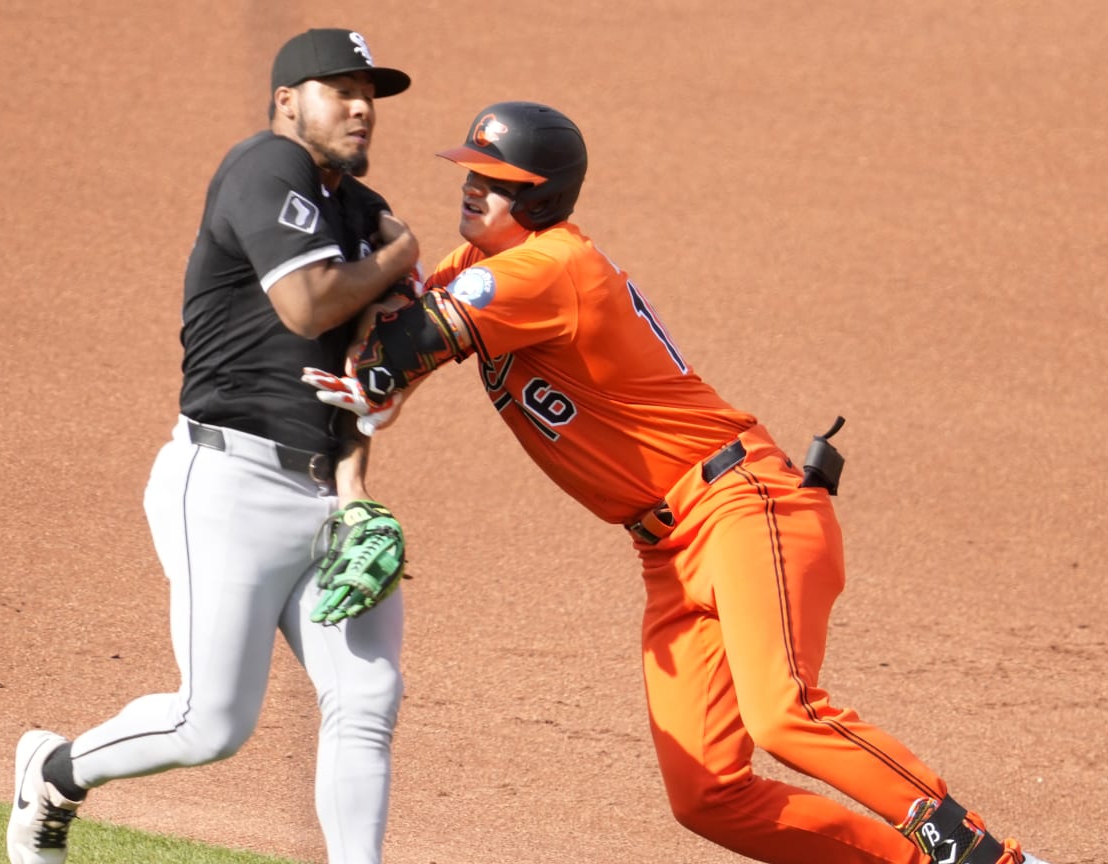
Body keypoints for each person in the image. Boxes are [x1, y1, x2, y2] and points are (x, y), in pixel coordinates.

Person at [302, 101, 1055, 864]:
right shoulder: (485, 271)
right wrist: (379, 377)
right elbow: (404, 351)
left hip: (739, 503)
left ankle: (987, 855)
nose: (472, 185)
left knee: (784, 714)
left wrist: (378, 352)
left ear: (540, 196)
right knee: (707, 793)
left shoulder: (553, 265)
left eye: (494, 178)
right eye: (471, 169)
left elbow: (412, 340)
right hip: (668, 551)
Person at [6, 29, 420, 864]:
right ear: (285, 100)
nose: (360, 105)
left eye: (367, 91)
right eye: (338, 87)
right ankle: (51, 772)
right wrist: (404, 253)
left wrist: (356, 490)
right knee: (213, 724)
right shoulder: (263, 167)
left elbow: (350, 372)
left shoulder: (352, 207)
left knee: (368, 694)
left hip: (323, 491)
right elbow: (307, 306)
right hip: (227, 482)